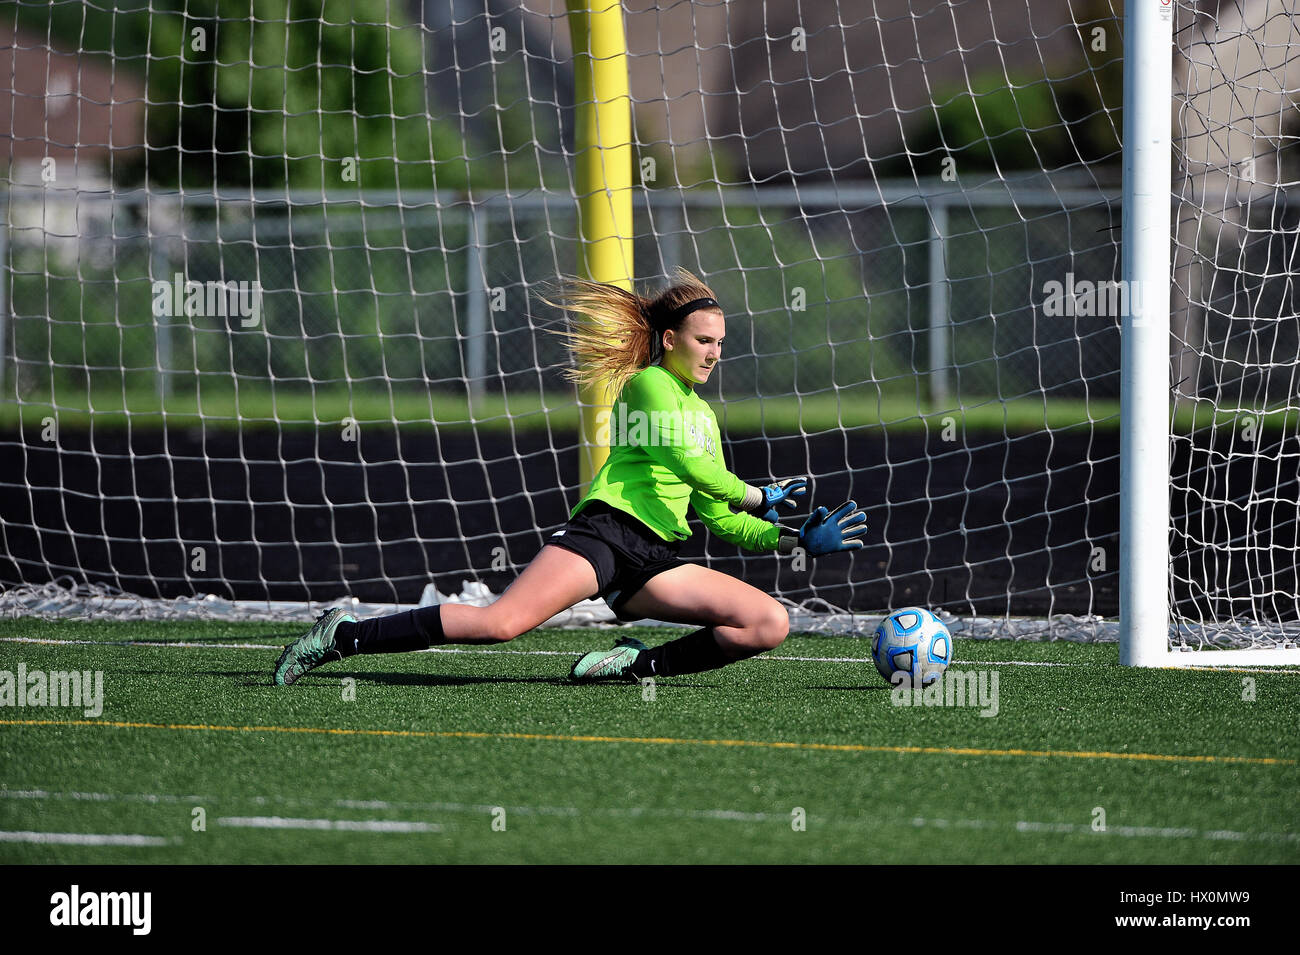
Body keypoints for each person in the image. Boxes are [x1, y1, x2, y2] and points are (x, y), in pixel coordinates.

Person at [273, 269, 867, 686]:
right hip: (606, 534)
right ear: (669, 340)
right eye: (703, 340)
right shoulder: (648, 385)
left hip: (656, 555)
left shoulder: (705, 416)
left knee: (767, 623)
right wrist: (760, 494)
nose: (714, 353)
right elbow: (693, 469)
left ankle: (633, 666)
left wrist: (793, 539)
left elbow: (716, 517)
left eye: (720, 343)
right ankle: (345, 635)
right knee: (500, 624)